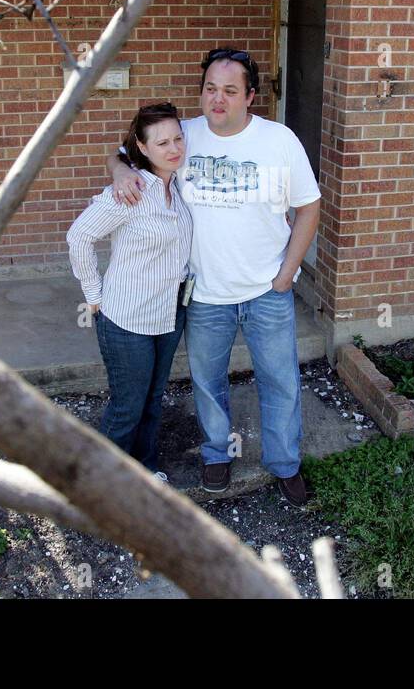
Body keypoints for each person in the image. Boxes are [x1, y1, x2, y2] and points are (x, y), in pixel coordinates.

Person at [110, 49, 321, 506]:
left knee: (280, 380)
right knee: (208, 382)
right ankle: (216, 455)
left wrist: (287, 275)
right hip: (204, 293)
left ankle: (284, 464)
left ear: (250, 95)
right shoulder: (182, 136)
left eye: (229, 90)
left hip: (268, 289)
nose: (217, 99)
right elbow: (127, 150)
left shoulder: (279, 140)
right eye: (210, 89)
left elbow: (308, 207)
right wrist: (119, 170)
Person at [68, 102, 192, 481]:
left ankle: (145, 468)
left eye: (177, 138)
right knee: (127, 407)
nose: (173, 148)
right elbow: (79, 236)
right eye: (161, 143)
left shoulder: (181, 183)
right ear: (142, 147)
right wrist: (94, 296)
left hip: (171, 313)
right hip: (126, 319)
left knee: (153, 399)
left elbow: (117, 154)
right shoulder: (131, 191)